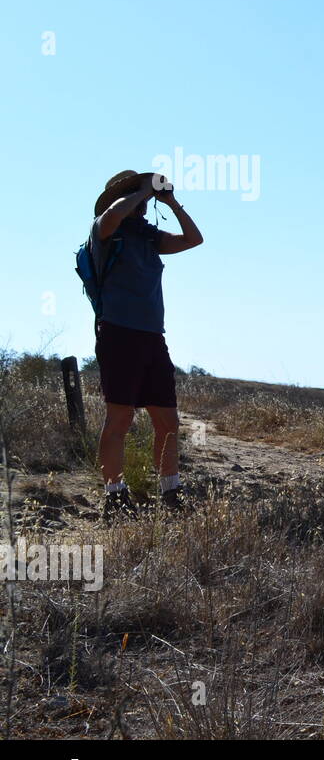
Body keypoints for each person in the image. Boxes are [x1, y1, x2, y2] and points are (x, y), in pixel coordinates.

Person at [91, 170, 204, 515]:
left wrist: (170, 202)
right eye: (133, 197)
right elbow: (110, 217)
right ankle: (114, 496)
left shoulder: (148, 237)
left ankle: (171, 491)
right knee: (120, 418)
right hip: (118, 333)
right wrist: (140, 191)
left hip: (152, 337)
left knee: (168, 421)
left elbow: (193, 239)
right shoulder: (104, 231)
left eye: (142, 198)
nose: (141, 206)